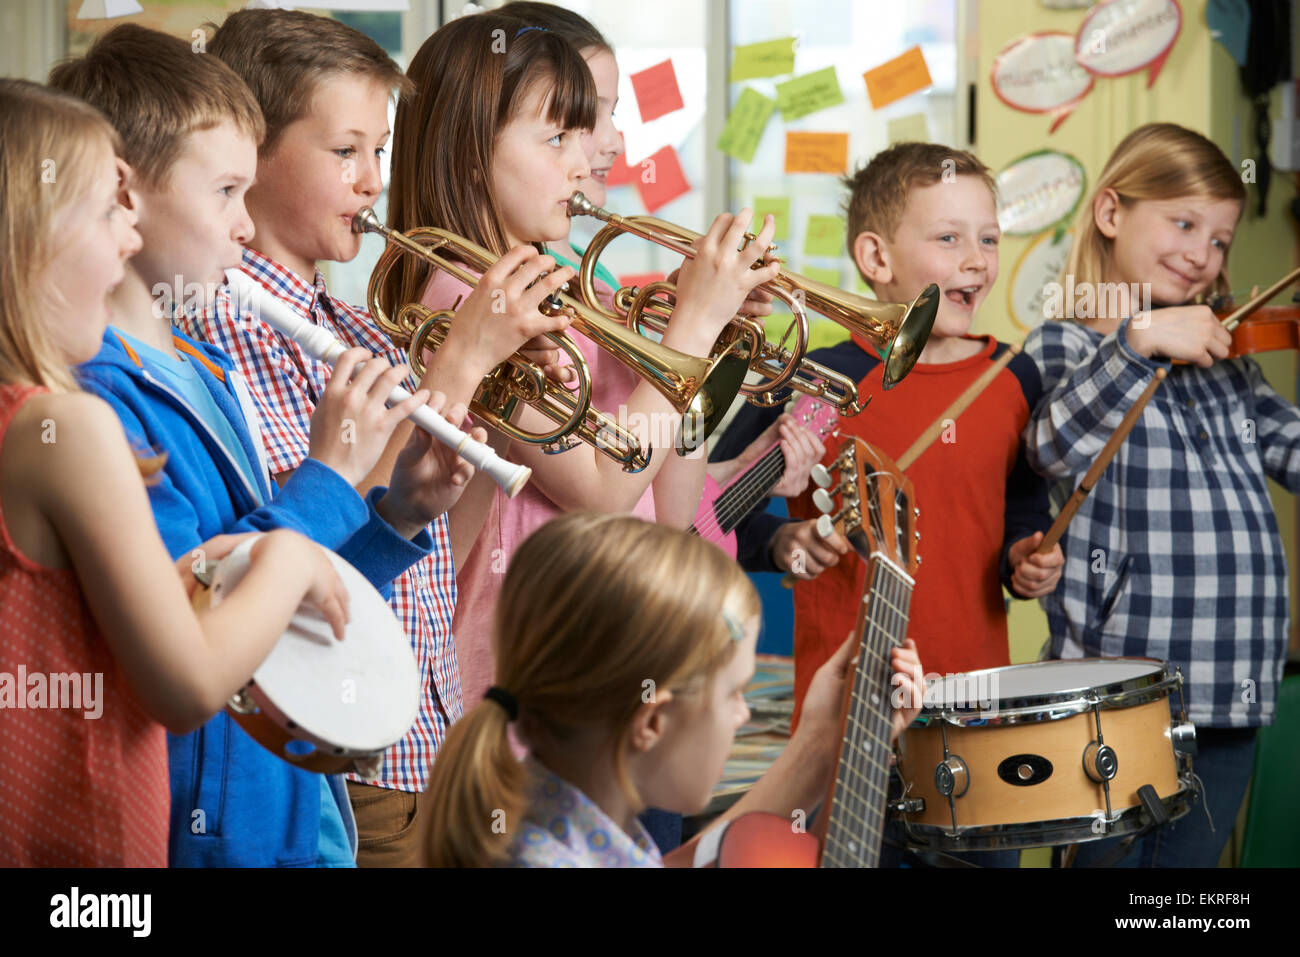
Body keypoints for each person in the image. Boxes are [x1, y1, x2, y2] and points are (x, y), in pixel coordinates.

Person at [49, 24, 486, 866]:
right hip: (204, 823)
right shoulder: (100, 397)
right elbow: (201, 608)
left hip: (290, 809)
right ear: (126, 195)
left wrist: (395, 515)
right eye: (225, 193)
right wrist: (328, 474)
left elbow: (280, 599)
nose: (245, 227)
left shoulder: (200, 369)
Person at [181, 8, 572, 866]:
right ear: (251, 156)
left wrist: (428, 494)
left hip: (428, 741)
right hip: (333, 753)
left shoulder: (361, 330)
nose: (371, 183)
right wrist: (463, 357)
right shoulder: (218, 324)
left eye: (379, 154)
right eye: (344, 151)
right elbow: (286, 551)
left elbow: (424, 559)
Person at [0, 78, 349, 867]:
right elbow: (187, 684)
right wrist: (290, 547)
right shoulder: (70, 427)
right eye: (106, 211)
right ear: (29, 232)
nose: (128, 240)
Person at [714, 142, 1062, 724]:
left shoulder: (1015, 375)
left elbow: (1020, 512)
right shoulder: (812, 376)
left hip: (976, 704)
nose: (976, 259)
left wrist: (1026, 556)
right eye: (949, 239)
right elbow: (715, 511)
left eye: (989, 239)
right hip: (845, 706)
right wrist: (783, 542)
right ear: (876, 258)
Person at [1022, 122, 1279, 868]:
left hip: (1231, 687)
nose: (1204, 253)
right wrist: (1138, 342)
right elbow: (1049, 445)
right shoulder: (1062, 347)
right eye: (1184, 222)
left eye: (1221, 239)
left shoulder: (1229, 369)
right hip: (1116, 695)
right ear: (1110, 214)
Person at [421, 512, 924, 867]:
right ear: (653, 721)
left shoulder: (558, 820)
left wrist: (822, 743)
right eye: (734, 692)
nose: (745, 714)